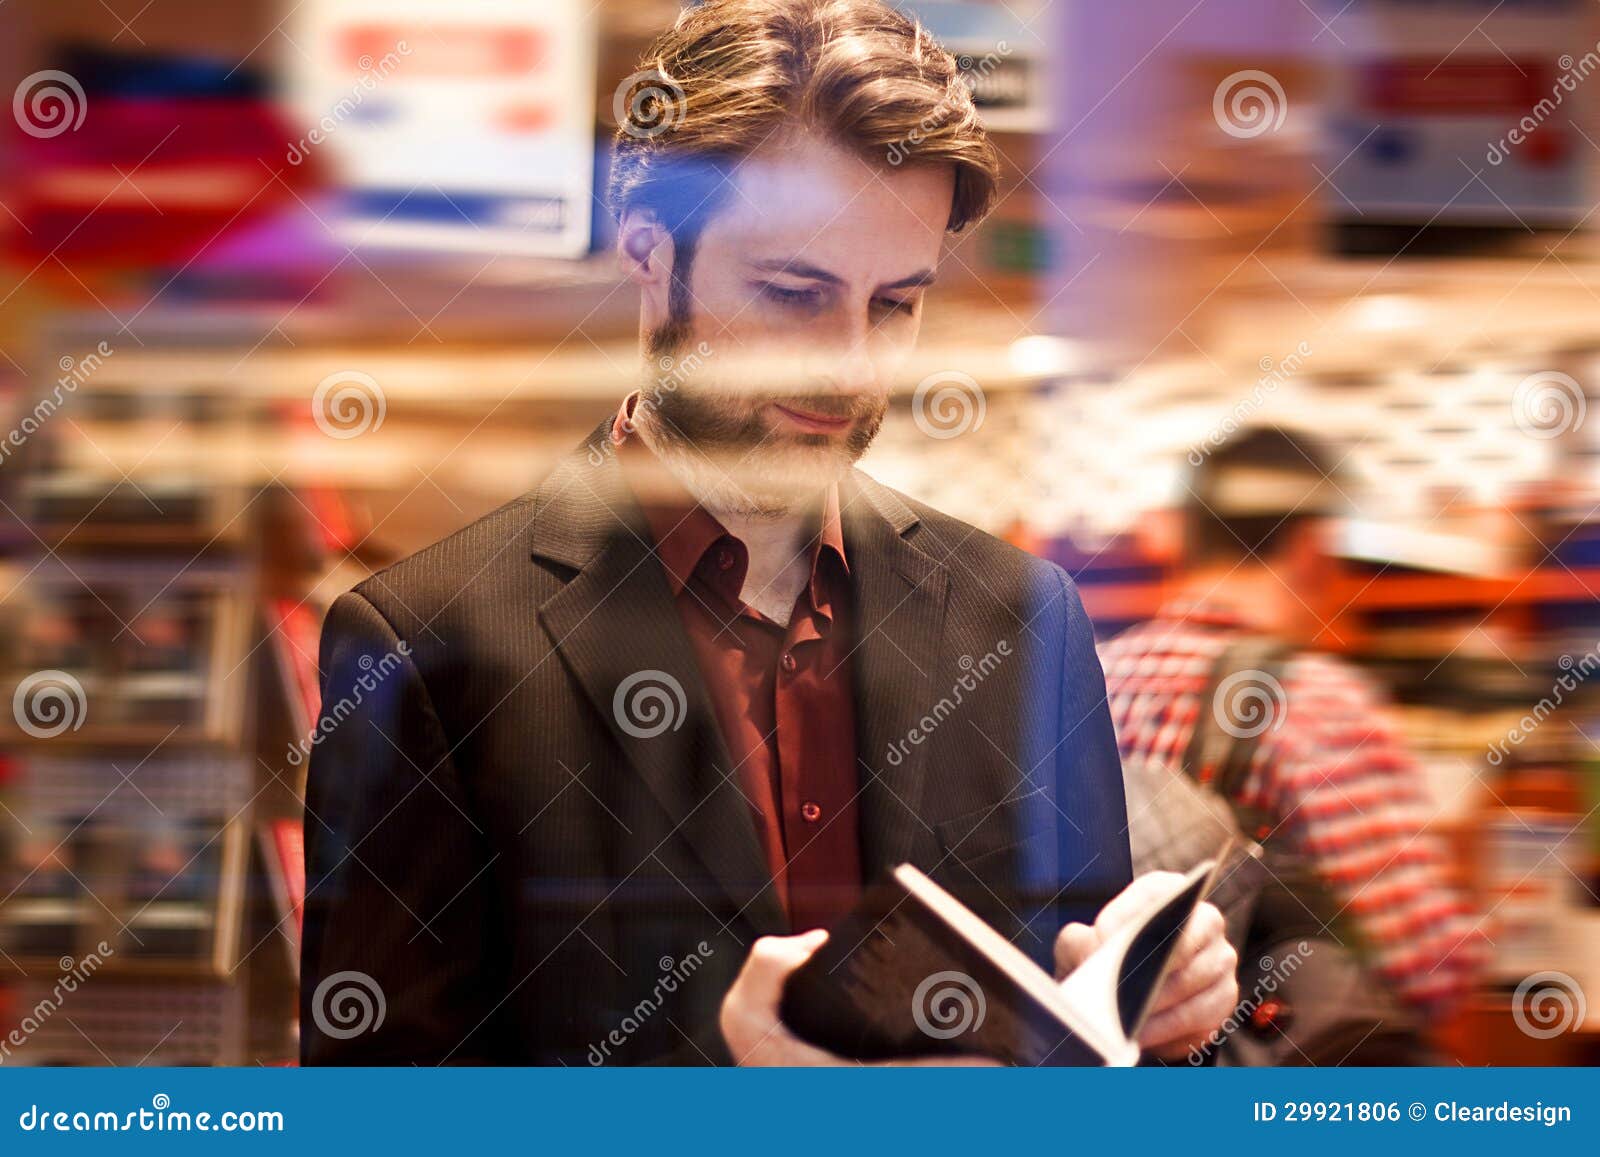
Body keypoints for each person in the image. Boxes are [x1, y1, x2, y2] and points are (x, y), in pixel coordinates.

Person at [300, 0, 1237, 1066]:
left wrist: (1168, 1016)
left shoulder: (1023, 619)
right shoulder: (429, 643)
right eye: (794, 293)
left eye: (894, 306)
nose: (848, 367)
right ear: (651, 254)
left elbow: (1086, 1052)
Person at [1099, 426, 1484, 1013]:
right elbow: (1428, 966)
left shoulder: (1089, 675)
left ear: (1188, 540)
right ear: (1312, 548)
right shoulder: (1315, 702)